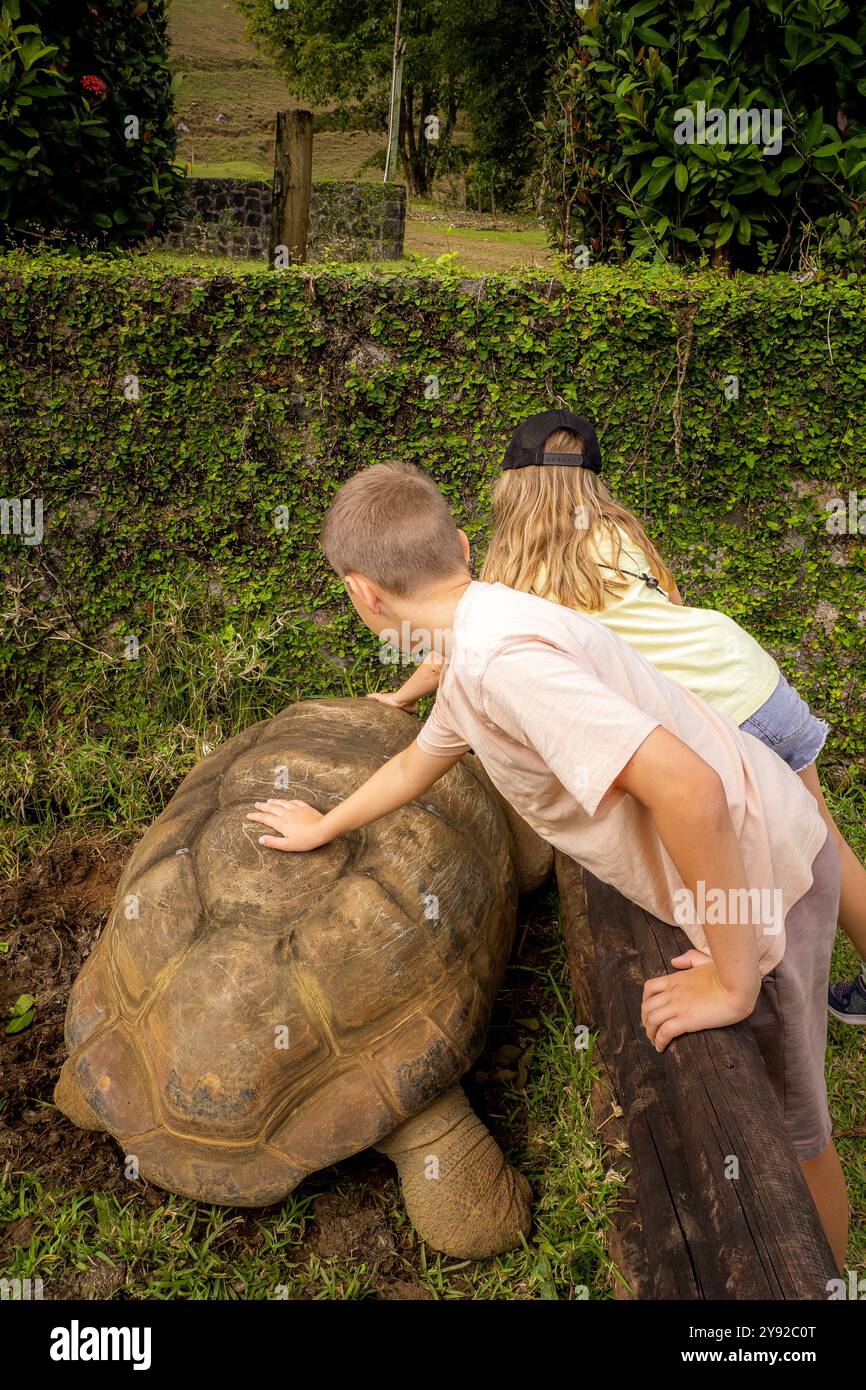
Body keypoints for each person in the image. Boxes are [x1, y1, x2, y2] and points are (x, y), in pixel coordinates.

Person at [246, 457, 849, 1270]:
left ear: (362, 592)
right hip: (741, 859)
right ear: (461, 544)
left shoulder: (504, 665)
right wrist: (326, 825)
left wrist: (733, 974)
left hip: (763, 884)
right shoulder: (481, 632)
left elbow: (691, 789)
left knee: (794, 1135)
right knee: (781, 1114)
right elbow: (419, 761)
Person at [371, 410, 866, 1026]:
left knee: (760, 858)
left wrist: (402, 696)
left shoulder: (519, 575)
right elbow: (674, 606)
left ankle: (762, 990)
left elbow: (453, 656)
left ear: (510, 487)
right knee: (824, 845)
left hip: (719, 715)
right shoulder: (619, 534)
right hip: (751, 678)